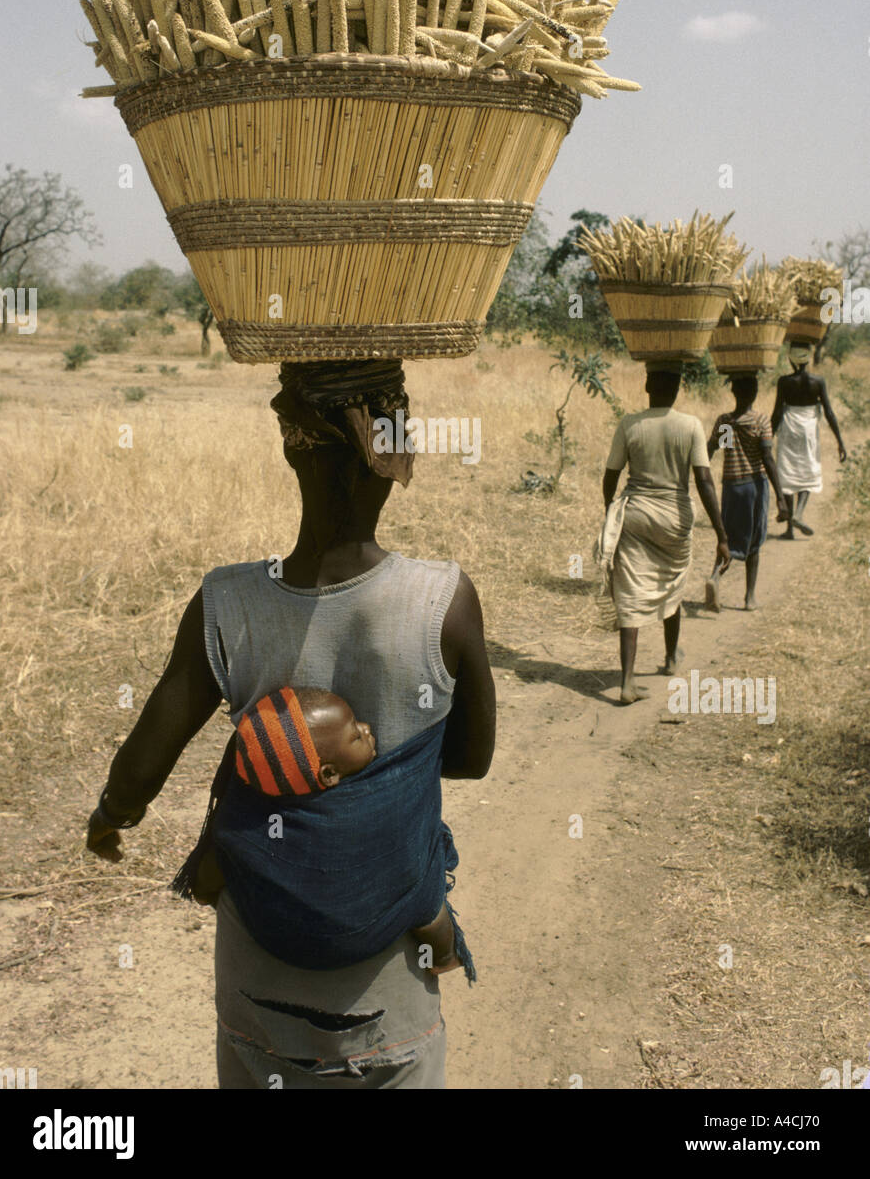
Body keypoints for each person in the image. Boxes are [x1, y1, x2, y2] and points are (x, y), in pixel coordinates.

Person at [86, 359, 496, 1090]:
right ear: (392, 458)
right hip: (386, 980)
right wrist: (372, 794)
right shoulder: (442, 599)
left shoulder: (228, 600)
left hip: (258, 975)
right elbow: (469, 760)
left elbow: (147, 755)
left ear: (288, 449)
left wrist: (113, 814)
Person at [228, 683, 462, 976]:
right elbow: (403, 859)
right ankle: (444, 957)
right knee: (429, 902)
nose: (366, 727)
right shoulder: (371, 806)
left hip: (280, 944)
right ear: (329, 774)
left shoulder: (256, 819)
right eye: (355, 734)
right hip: (360, 943)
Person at [597, 366, 731, 704]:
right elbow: (703, 480)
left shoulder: (630, 424)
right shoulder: (689, 426)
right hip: (675, 518)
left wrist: (609, 509)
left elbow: (610, 475)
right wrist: (721, 534)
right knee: (672, 585)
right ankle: (671, 658)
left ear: (646, 385)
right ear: (677, 391)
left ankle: (627, 682)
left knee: (629, 595)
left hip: (636, 514)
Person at [705, 373, 785, 611]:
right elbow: (767, 459)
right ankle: (749, 597)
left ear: (734, 393)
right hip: (754, 486)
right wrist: (780, 496)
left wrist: (702, 474)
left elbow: (710, 448)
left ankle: (715, 578)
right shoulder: (761, 421)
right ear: (755, 393)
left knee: (726, 536)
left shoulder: (725, 421)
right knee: (754, 542)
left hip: (731, 486)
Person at [771, 344, 847, 538]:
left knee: (787, 472)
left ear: (791, 360)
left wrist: (768, 437)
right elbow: (829, 412)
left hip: (789, 427)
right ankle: (799, 513)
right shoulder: (818, 381)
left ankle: (789, 528)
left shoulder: (784, 382)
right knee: (808, 468)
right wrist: (840, 441)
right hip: (809, 429)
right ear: (807, 359)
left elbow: (778, 411)